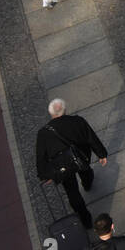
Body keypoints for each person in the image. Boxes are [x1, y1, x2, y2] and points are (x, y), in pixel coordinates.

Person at [35, 98, 107, 230]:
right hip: (81, 159)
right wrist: (101, 154)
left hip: (63, 168)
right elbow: (91, 138)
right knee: (86, 172)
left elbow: (41, 157)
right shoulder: (78, 121)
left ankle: (85, 219)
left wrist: (45, 175)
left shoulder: (43, 133)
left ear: (51, 113)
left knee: (72, 193)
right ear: (65, 110)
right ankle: (87, 184)